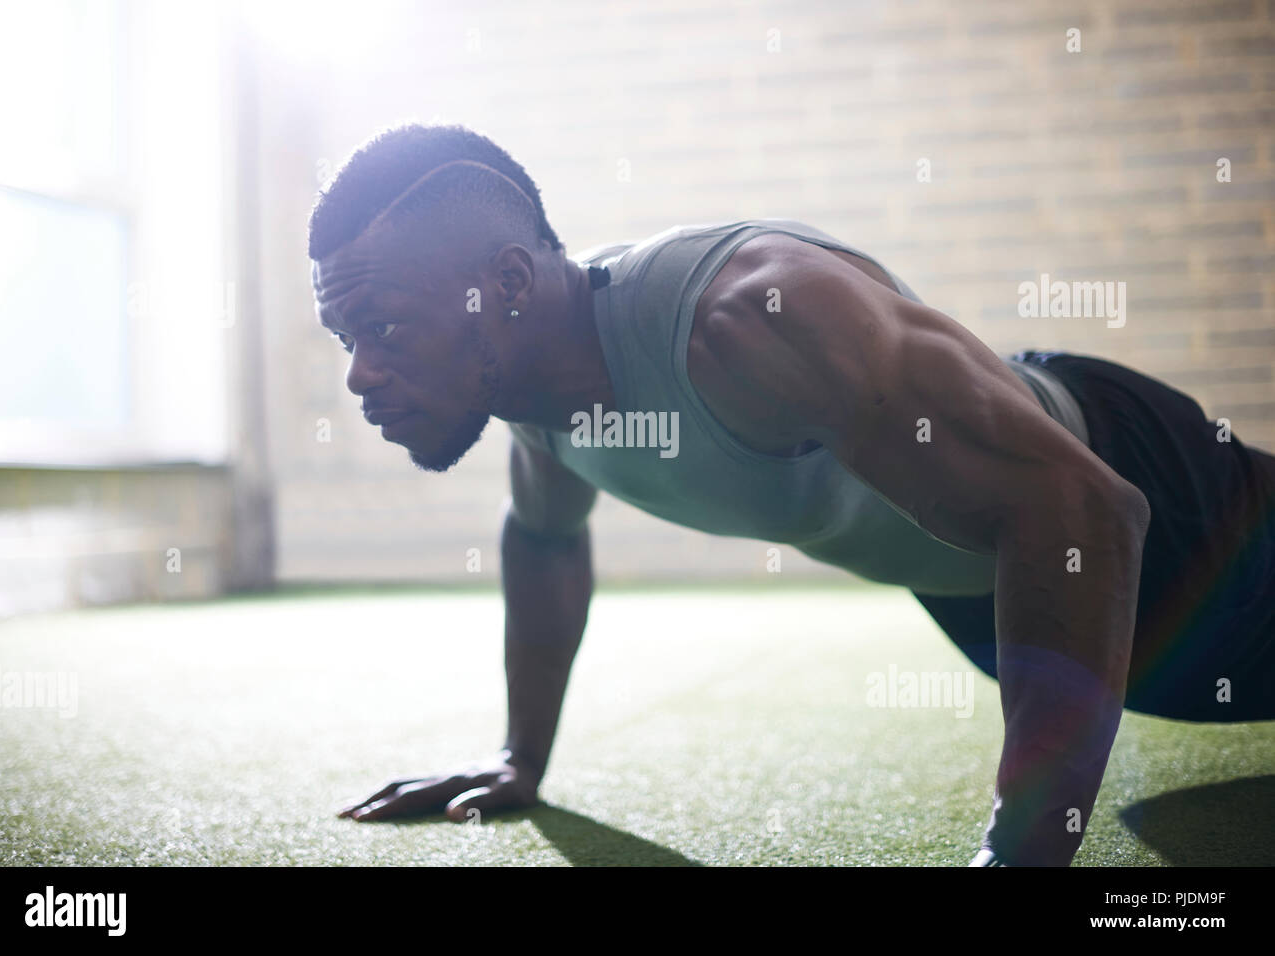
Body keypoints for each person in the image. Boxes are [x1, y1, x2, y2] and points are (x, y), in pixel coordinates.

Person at [309, 123, 1275, 866]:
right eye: (345, 338)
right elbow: (543, 538)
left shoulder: (746, 315)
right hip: (1001, 601)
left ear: (506, 283)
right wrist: (523, 757)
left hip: (1153, 508)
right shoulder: (524, 378)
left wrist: (1020, 852)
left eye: (386, 329)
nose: (359, 377)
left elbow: (1085, 510)